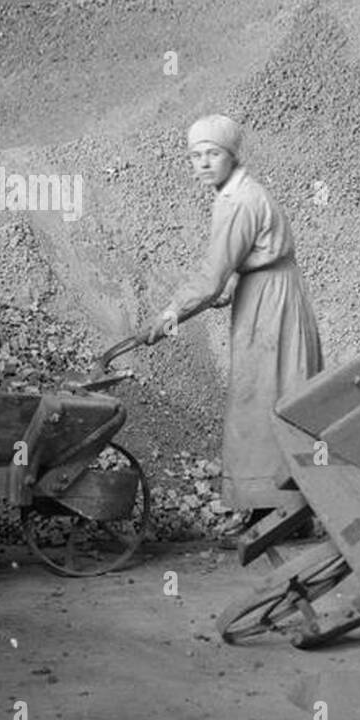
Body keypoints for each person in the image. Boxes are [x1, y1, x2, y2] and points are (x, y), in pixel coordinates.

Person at [138, 114, 323, 518]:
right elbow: (238, 265)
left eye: (213, 154)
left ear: (232, 156)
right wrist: (229, 288)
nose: (203, 163)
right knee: (269, 398)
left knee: (264, 400)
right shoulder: (239, 194)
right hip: (268, 294)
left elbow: (210, 278)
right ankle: (275, 507)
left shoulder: (238, 201)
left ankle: (278, 510)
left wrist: (169, 315)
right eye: (195, 155)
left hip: (270, 306)